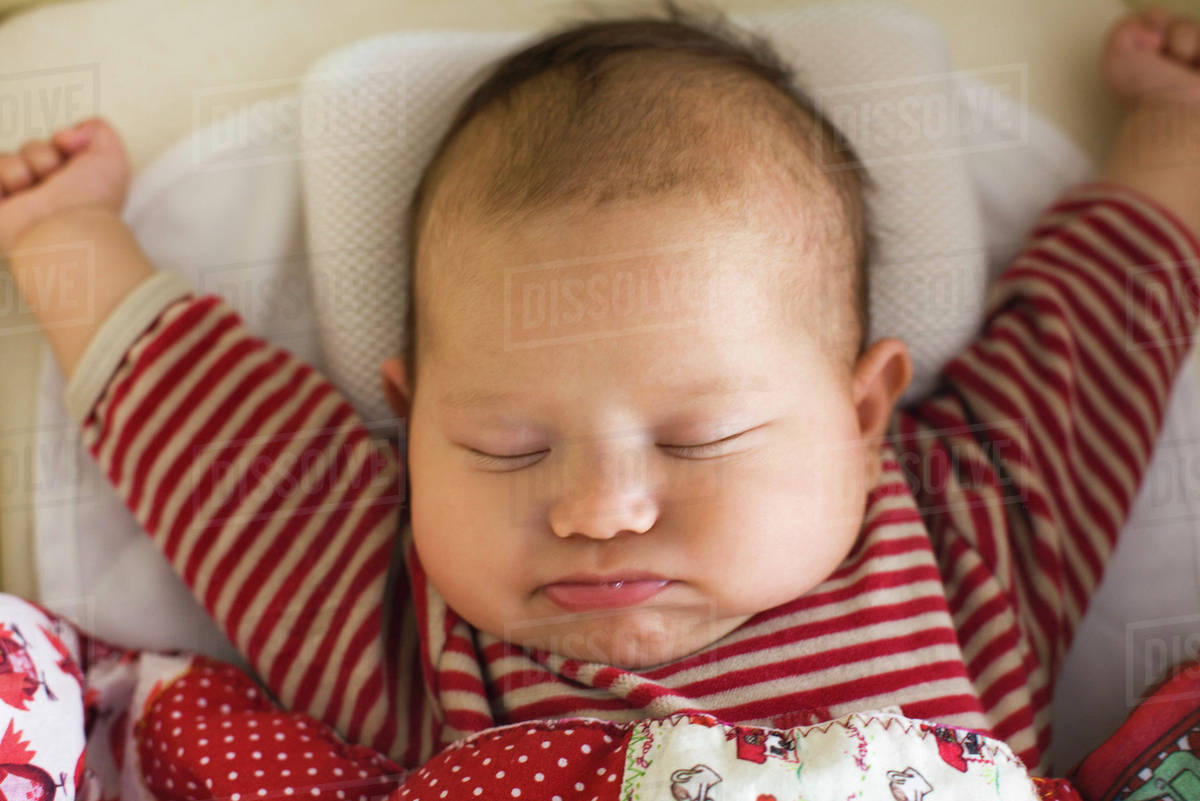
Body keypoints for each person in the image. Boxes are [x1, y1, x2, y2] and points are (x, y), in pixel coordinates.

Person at [0, 0, 1197, 791]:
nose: (601, 508)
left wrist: (1176, 132)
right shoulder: (417, 630)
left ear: (863, 413)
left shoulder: (958, 527)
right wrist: (70, 240)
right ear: (414, 430)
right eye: (507, 448)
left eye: (700, 438)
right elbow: (214, 447)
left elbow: (1098, 343)